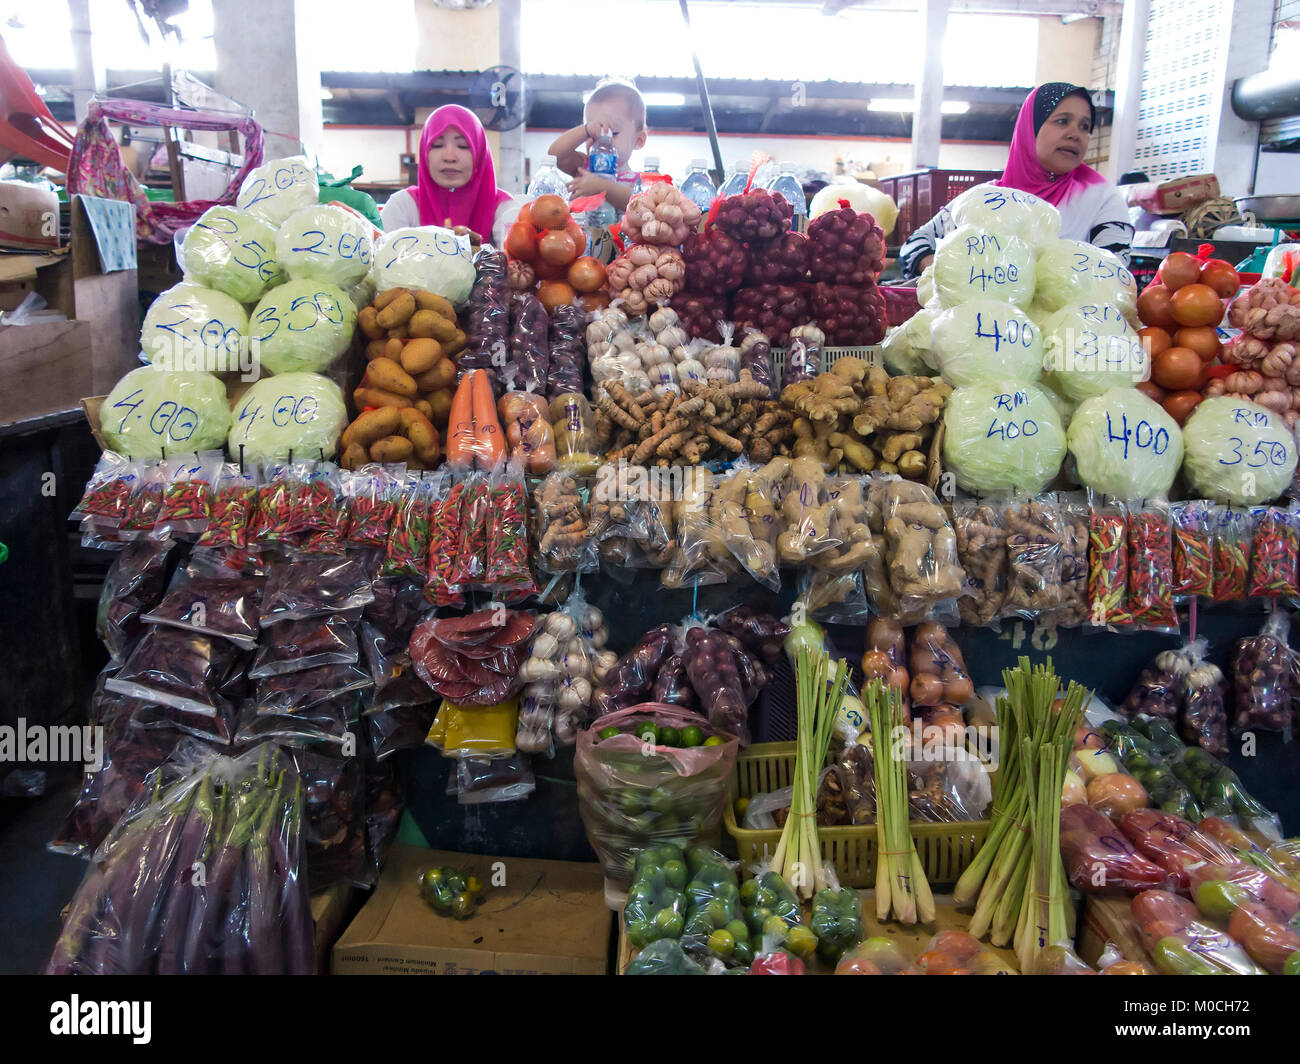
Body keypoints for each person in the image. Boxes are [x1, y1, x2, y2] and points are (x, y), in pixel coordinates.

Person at [899, 83, 1134, 278]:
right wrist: (944, 269)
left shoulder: (1102, 198)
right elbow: (915, 243)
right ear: (1029, 128)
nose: (1075, 134)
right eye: (1062, 121)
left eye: (1085, 126)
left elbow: (1114, 276)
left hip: (1070, 332)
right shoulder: (986, 200)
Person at [381, 104, 520, 246]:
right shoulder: (403, 205)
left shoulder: (504, 209)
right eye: (437, 145)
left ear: (479, 153)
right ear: (424, 153)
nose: (449, 157)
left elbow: (515, 260)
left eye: (463, 146)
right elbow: (383, 257)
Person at [548, 78, 646, 215]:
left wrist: (601, 187)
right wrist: (586, 130)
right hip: (583, 236)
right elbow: (555, 156)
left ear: (639, 141)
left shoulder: (638, 182)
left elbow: (635, 203)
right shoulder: (584, 168)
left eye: (614, 133)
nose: (601, 141)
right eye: (594, 134)